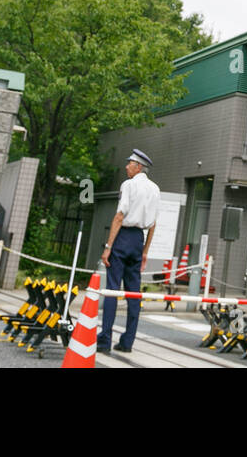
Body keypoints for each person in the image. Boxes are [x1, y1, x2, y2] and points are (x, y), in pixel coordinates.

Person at [97, 149, 160, 353]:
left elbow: (119, 216)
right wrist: (145, 252)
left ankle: (105, 339)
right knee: (134, 293)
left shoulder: (128, 185)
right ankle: (127, 342)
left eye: (130, 163)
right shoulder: (155, 189)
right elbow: (153, 224)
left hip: (123, 238)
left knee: (112, 289)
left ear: (138, 166)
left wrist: (108, 248)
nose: (126, 166)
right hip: (138, 240)